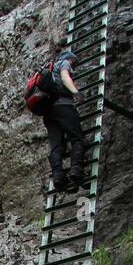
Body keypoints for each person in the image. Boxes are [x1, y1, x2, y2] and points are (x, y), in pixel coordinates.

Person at [42, 40, 85, 194]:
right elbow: (66, 77)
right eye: (74, 64)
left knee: (56, 145)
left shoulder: (48, 69)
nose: (73, 67)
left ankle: (58, 176)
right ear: (70, 59)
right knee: (76, 138)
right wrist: (75, 92)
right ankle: (76, 170)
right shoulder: (64, 63)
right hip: (64, 106)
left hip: (48, 111)